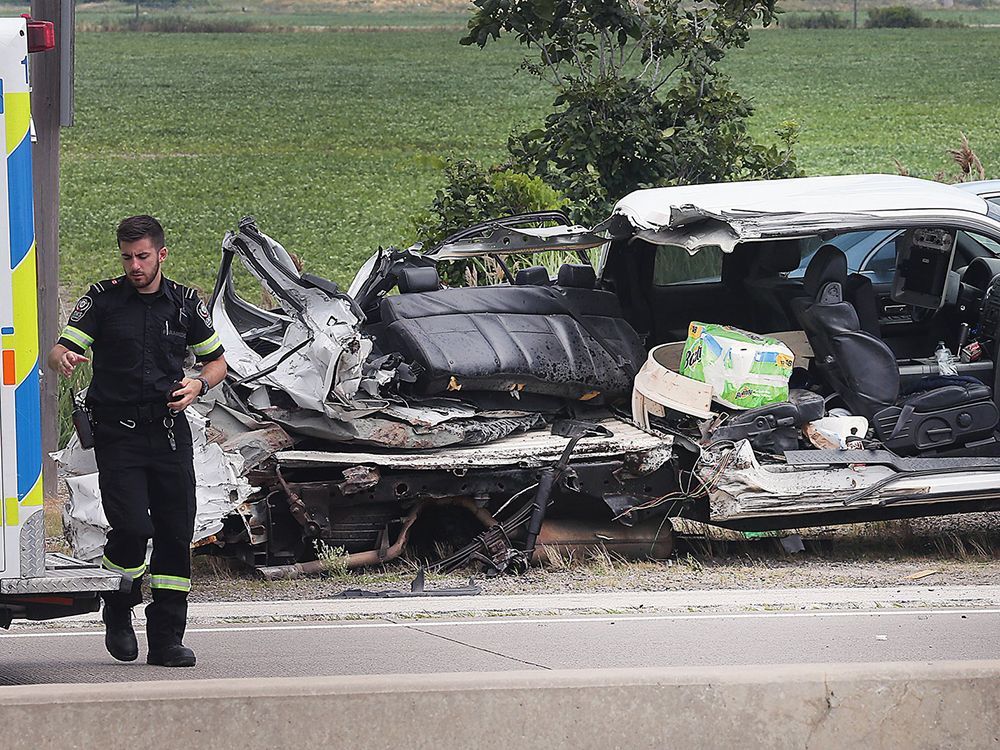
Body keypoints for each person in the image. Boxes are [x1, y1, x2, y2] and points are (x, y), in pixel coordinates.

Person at [47, 215, 227, 668]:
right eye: (127, 257)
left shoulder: (185, 303)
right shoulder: (102, 299)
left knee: (175, 534)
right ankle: (118, 605)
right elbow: (58, 350)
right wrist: (63, 358)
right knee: (132, 528)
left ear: (161, 254)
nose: (134, 266)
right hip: (118, 435)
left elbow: (217, 362)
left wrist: (198, 385)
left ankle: (166, 640)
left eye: (143, 256)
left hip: (168, 434)